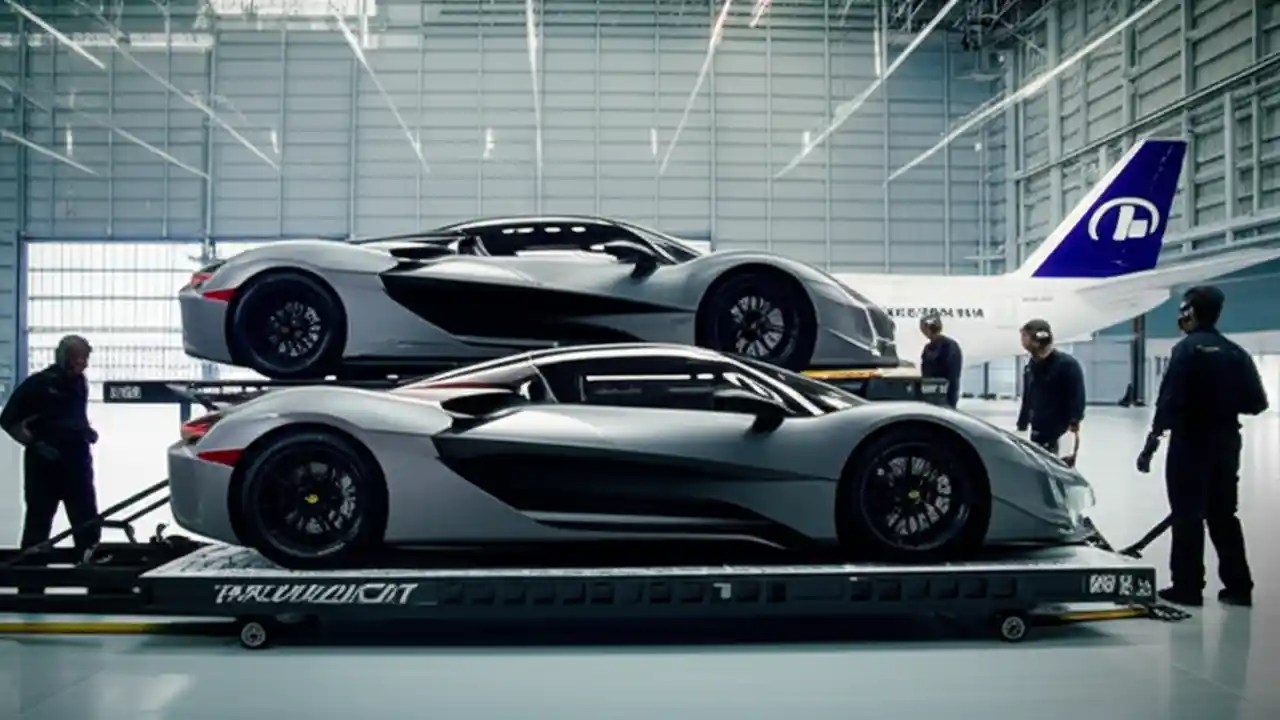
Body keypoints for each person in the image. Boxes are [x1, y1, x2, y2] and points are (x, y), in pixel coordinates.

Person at [1136, 286, 1267, 607]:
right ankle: (1238, 587)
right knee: (1224, 515)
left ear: (1190, 312)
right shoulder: (1236, 352)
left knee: (1187, 515)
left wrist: (1150, 445)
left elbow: (1168, 401)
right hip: (1226, 443)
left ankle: (1188, 586)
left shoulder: (1187, 350)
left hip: (1189, 443)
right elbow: (1257, 403)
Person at [0, 335, 103, 564]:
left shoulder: (79, 383)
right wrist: (35, 444)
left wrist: (85, 431)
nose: (83, 364)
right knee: (38, 526)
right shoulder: (38, 385)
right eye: (79, 358)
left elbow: (76, 415)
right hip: (45, 468)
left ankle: (96, 584)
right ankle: (30, 587)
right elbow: (8, 421)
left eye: (85, 359)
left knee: (87, 525)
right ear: (65, 358)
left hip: (77, 465)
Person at [1015, 319, 1086, 453]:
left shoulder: (1067, 365)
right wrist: (1022, 423)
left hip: (1061, 433)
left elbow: (1077, 397)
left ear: (1037, 340)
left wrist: (1073, 425)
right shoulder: (1031, 366)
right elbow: (1028, 397)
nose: (1022, 341)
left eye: (1025, 336)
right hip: (1037, 432)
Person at [918, 315, 963, 408]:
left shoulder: (948, 346)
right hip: (932, 393)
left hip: (943, 395)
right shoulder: (929, 347)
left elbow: (952, 375)